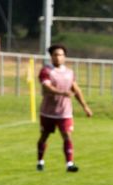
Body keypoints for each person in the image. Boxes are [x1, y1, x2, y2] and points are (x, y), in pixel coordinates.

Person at [36, 44, 92, 173]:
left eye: (60, 55)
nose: (58, 57)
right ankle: (40, 161)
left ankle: (70, 164)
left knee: (67, 136)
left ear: (65, 57)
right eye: (55, 55)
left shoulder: (69, 73)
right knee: (44, 136)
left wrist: (85, 107)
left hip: (65, 112)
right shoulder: (46, 71)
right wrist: (62, 93)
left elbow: (76, 89)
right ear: (51, 57)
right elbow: (46, 87)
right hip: (48, 112)